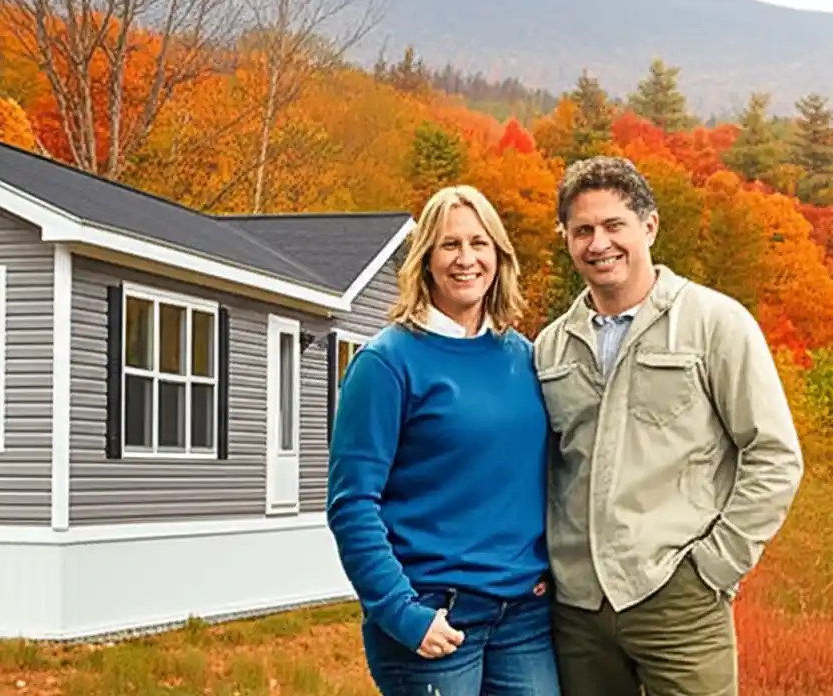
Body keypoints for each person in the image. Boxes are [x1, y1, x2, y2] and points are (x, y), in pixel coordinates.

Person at [534, 155, 805, 696]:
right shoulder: (550, 347)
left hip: (679, 601)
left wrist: (715, 567)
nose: (598, 243)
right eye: (582, 229)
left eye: (615, 225)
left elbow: (774, 455)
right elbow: (544, 470)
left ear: (649, 226)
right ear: (566, 238)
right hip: (579, 611)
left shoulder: (714, 324)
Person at [326, 184, 560, 695]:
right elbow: (352, 505)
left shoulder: (523, 356)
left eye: (480, 244)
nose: (466, 259)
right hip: (434, 615)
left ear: (499, 256)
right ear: (426, 260)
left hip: (523, 618)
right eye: (449, 245)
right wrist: (401, 613)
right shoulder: (387, 363)